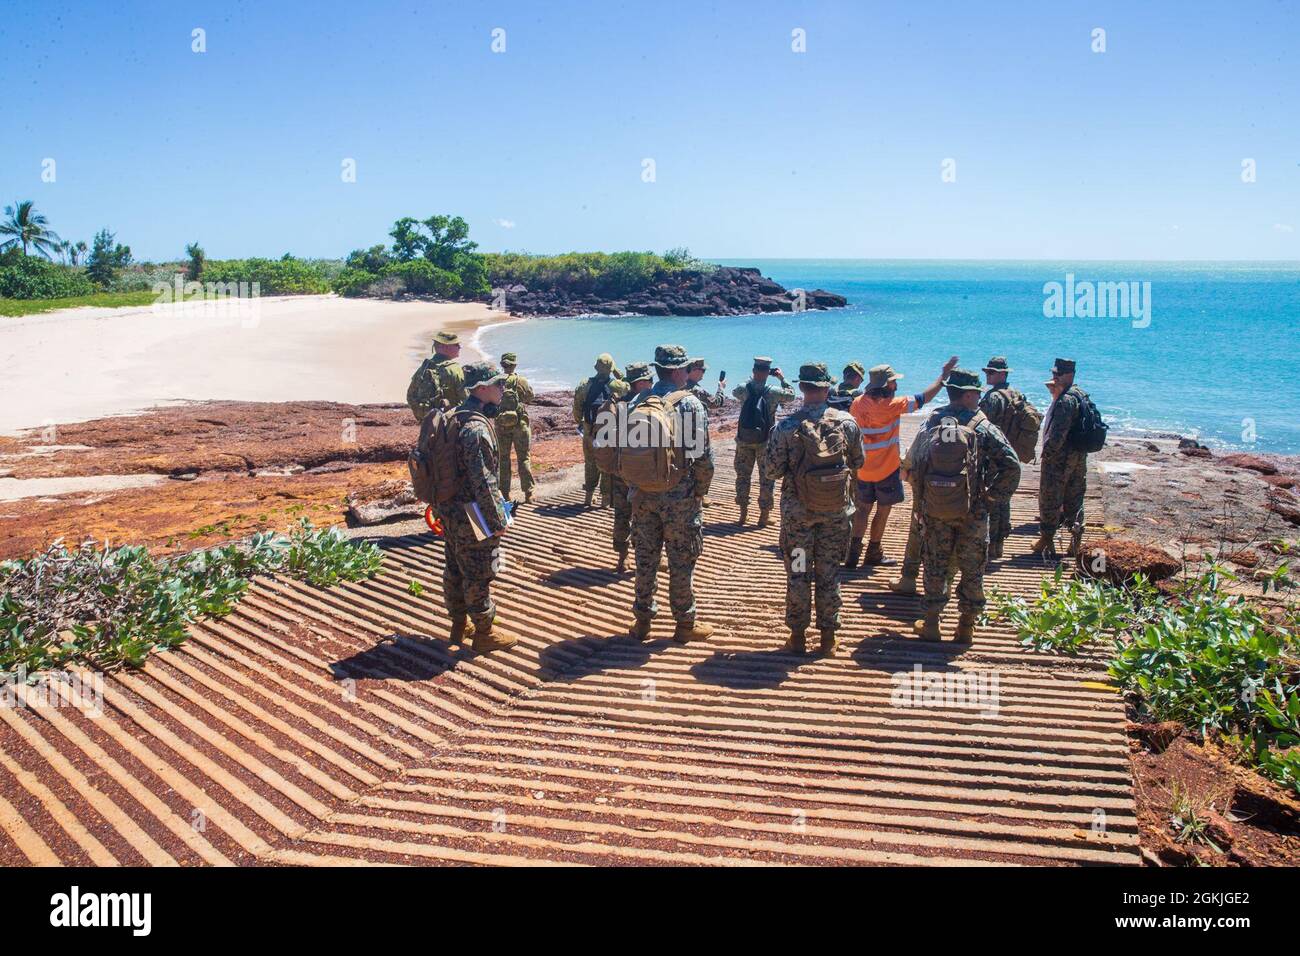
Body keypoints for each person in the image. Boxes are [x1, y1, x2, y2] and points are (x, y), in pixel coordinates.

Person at [907, 369, 1021, 642]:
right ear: (968, 394)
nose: (980, 398)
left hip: (935, 508)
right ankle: (965, 628)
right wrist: (992, 497)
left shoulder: (932, 422)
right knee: (972, 566)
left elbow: (916, 463)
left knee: (935, 563)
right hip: (973, 510)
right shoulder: (981, 426)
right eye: (977, 393)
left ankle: (932, 624)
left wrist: (922, 500)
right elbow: (1012, 466)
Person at [763, 363, 864, 656]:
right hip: (835, 513)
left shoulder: (785, 427)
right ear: (827, 388)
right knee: (829, 572)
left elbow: (771, 471)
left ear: (803, 389)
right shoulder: (847, 423)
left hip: (798, 517)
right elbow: (858, 462)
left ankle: (797, 636)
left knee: (798, 571)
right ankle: (828, 639)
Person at [628, 345, 715, 643]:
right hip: (680, 497)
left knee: (645, 559)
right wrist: (699, 492)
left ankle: (642, 622)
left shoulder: (638, 400)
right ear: (678, 370)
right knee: (681, 560)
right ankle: (684, 624)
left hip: (642, 495)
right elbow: (703, 457)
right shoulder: (690, 405)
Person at [436, 361, 519, 653]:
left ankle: (459, 624)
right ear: (482, 389)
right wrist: (498, 521)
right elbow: (484, 483)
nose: (502, 388)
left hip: (449, 508)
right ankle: (484, 632)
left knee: (454, 566)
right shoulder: (476, 428)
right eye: (498, 384)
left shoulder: (455, 416)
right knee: (479, 572)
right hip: (472, 512)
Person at [846, 357, 959, 567]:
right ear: (885, 385)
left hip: (862, 468)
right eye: (893, 382)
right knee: (883, 510)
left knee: (862, 510)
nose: (896, 385)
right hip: (887, 469)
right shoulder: (893, 406)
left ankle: (852, 555)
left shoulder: (857, 403)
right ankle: (873, 552)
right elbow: (924, 397)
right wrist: (943, 376)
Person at [1033, 358, 1093, 559]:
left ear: (1070, 375)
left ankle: (1047, 539)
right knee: (1076, 498)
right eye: (1054, 373)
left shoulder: (1066, 400)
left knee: (1050, 498)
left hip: (1059, 460)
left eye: (1058, 374)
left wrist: (1046, 455)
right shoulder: (1081, 394)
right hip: (1078, 457)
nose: (1054, 377)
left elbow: (1057, 434)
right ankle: (1075, 542)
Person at [732, 356, 794, 526]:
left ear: (753, 370)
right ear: (769, 372)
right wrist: (782, 378)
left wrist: (751, 379)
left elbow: (734, 392)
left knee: (743, 476)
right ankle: (763, 516)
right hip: (765, 441)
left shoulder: (743, 389)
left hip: (744, 440)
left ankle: (743, 515)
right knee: (766, 478)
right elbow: (792, 395)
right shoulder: (773, 391)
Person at [977, 356, 1026, 559]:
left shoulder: (993, 398)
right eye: (986, 372)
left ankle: (990, 547)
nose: (987, 375)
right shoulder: (1016, 394)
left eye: (990, 372)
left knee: (990, 500)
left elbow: (981, 426)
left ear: (1002, 374)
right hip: (1009, 454)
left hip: (992, 456)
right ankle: (999, 546)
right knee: (1003, 499)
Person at [610, 360, 654, 573]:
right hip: (640, 472)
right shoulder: (644, 407)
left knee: (622, 515)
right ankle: (639, 556)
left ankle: (622, 558)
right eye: (649, 380)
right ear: (642, 382)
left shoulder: (617, 406)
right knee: (643, 515)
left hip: (620, 470)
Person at [573, 353, 628, 508]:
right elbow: (628, 386)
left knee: (590, 463)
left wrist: (581, 423)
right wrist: (617, 372)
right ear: (611, 368)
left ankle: (588, 498)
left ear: (596, 367)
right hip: (607, 429)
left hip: (589, 429)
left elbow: (577, 408)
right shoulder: (616, 385)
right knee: (607, 463)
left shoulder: (585, 384)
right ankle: (605, 501)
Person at [495, 352, 536, 503]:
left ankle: (505, 493)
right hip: (520, 424)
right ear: (514, 365)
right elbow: (530, 397)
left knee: (503, 459)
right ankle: (528, 493)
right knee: (524, 458)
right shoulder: (521, 381)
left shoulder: (496, 381)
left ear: (502, 365)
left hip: (501, 425)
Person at [407, 330, 467, 421]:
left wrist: (422, 415)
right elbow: (466, 399)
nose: (460, 347)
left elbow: (410, 395)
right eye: (456, 344)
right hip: (450, 423)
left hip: (428, 422)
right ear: (444, 347)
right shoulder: (454, 369)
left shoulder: (424, 367)